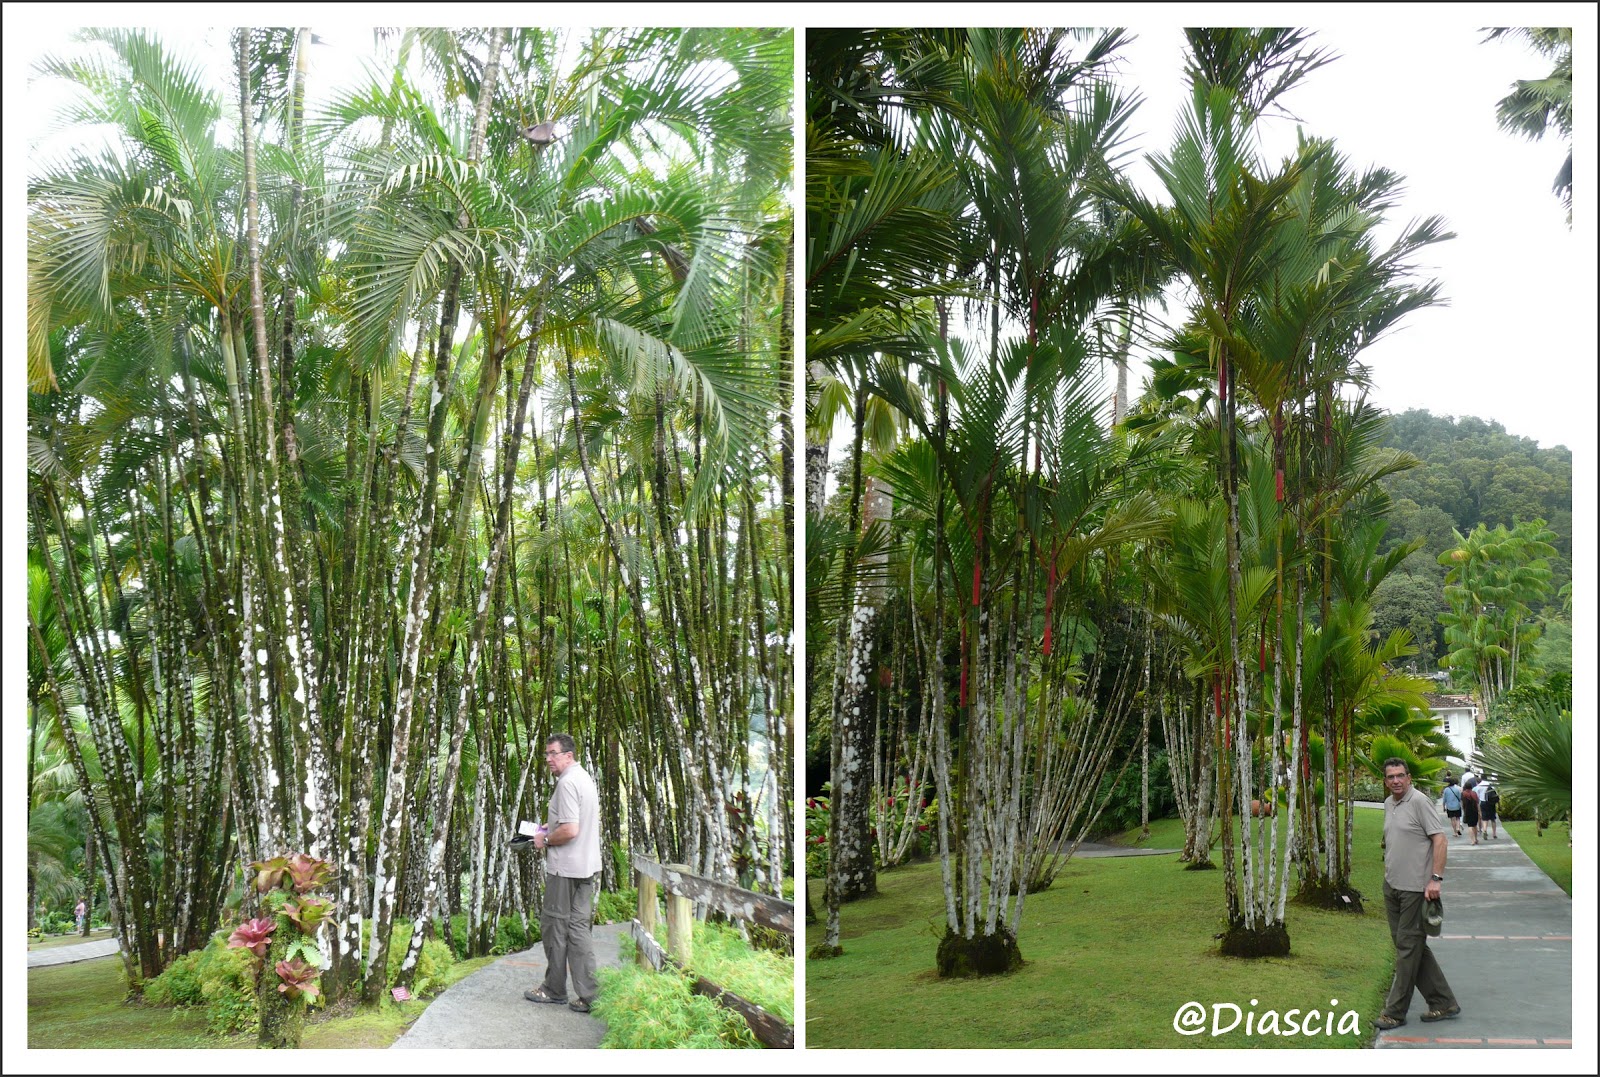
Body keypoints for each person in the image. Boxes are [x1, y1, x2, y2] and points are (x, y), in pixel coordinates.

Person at [1376, 757, 1460, 1030]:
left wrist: (1435, 879)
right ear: (1386, 781)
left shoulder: (1419, 802)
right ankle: (1443, 1001)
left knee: (1407, 949)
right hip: (1393, 887)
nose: (1396, 781)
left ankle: (1395, 1012)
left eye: (1401, 775)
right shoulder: (1390, 803)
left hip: (1416, 890)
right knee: (1412, 948)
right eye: (1391, 777)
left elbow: (1440, 839)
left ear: (1409, 777)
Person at [523, 733, 603, 1014]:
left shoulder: (567, 783)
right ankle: (590, 994)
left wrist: (544, 839)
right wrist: (551, 824)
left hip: (565, 868)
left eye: (553, 754)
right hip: (587, 866)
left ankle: (554, 989)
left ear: (568, 755)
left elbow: (570, 830)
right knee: (579, 929)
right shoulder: (584, 778)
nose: (548, 759)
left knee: (555, 927)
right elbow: (572, 820)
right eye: (546, 754)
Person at [1461, 778, 1481, 845]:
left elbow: (1462, 803)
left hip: (1467, 811)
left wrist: (1463, 810)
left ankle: (1472, 841)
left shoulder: (1463, 794)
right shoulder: (1474, 793)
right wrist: (1479, 811)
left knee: (1470, 826)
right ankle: (1476, 839)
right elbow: (1477, 803)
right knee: (1475, 825)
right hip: (1474, 811)